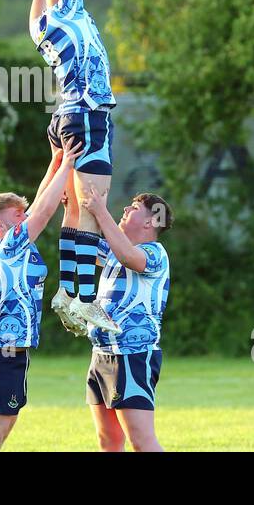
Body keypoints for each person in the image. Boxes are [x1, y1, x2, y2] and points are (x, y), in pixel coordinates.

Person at [30, 0, 119, 335]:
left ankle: (69, 293)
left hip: (66, 114)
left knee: (74, 211)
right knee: (90, 208)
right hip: (86, 114)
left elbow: (34, 10)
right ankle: (84, 300)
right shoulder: (68, 9)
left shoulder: (44, 27)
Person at [0, 141, 83, 452]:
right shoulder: (8, 244)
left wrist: (57, 158)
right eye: (18, 215)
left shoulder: (16, 242)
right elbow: (45, 210)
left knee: (2, 433)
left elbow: (38, 203)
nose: (26, 218)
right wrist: (68, 166)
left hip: (13, 350)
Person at [78, 188, 173, 452]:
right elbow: (80, 239)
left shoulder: (155, 253)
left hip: (132, 356)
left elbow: (129, 257)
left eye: (133, 208)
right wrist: (73, 202)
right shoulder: (113, 249)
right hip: (102, 354)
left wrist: (100, 211)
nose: (125, 210)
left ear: (149, 221)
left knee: (142, 442)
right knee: (108, 441)